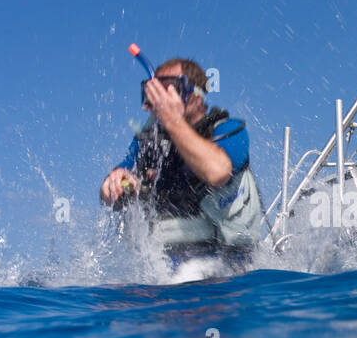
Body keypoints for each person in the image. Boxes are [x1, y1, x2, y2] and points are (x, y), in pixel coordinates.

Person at [100, 57, 263, 268]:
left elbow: (217, 172)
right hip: (168, 267)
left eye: (170, 90)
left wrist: (173, 121)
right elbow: (111, 188)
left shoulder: (228, 130)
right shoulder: (149, 143)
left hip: (229, 266)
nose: (161, 102)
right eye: (154, 93)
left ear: (196, 95)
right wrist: (113, 183)